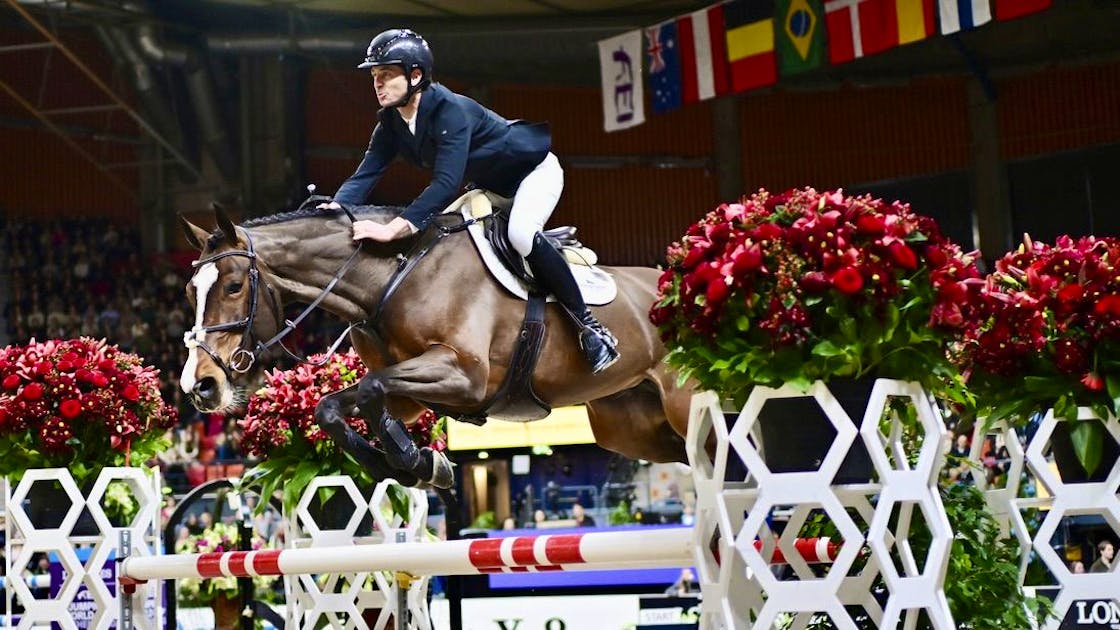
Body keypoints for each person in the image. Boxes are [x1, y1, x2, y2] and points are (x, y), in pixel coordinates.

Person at [320, 28, 618, 373]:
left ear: (415, 75)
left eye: (386, 74)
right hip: (492, 188)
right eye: (374, 76)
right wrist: (334, 209)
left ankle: (590, 328)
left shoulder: (450, 110)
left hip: (533, 174)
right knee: (440, 238)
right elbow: (366, 174)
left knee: (520, 234)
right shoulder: (390, 123)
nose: (377, 83)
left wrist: (392, 229)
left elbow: (446, 183)